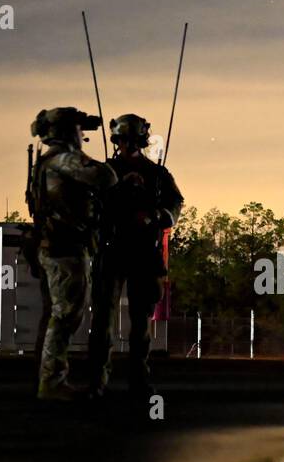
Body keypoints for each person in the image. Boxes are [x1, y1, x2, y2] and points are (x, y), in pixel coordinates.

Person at [87, 113, 182, 397]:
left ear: (140, 141)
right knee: (102, 320)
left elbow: (174, 205)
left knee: (141, 322)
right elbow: (91, 205)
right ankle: (97, 381)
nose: (127, 146)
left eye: (132, 140)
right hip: (111, 249)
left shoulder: (157, 174)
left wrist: (156, 215)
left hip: (143, 252)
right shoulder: (104, 173)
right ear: (116, 141)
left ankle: (138, 379)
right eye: (123, 140)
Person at [27, 107, 117, 401]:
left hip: (53, 246)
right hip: (65, 248)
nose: (83, 136)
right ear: (67, 132)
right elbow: (104, 177)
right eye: (80, 130)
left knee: (59, 315)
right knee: (65, 315)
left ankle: (48, 379)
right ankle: (52, 382)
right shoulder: (64, 160)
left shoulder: (45, 163)